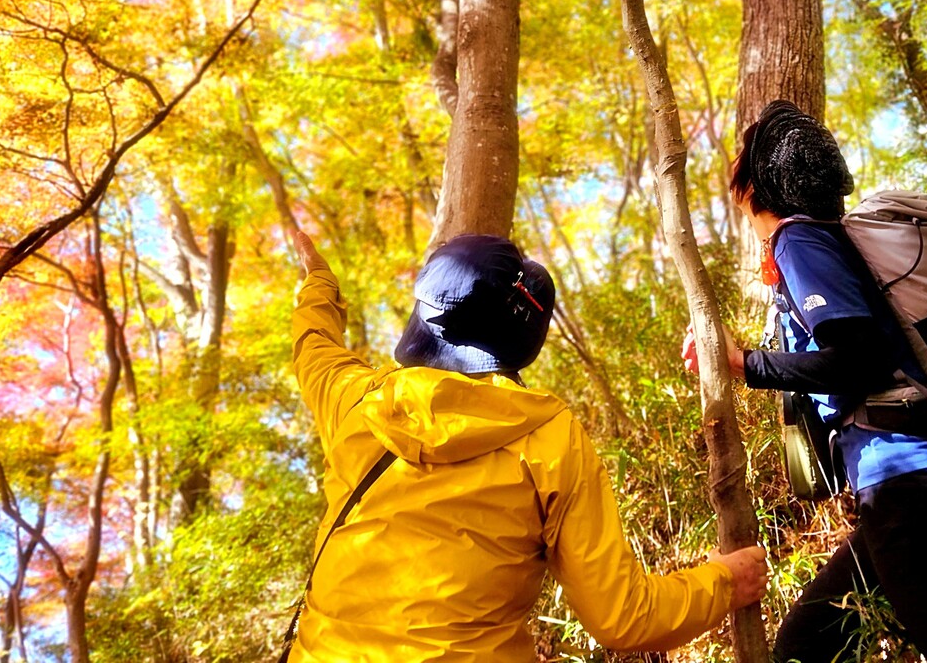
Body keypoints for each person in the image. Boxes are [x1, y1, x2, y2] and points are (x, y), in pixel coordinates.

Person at [288, 228, 766, 662]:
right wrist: (724, 582)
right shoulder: (548, 439)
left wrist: (318, 282)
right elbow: (624, 617)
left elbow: (314, 344)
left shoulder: (355, 400)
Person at [683, 101, 927, 663]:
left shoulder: (800, 241)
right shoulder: (828, 239)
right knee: (809, 643)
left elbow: (858, 360)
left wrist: (745, 364)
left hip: (913, 485)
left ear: (752, 186)